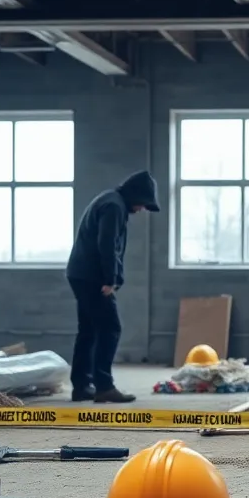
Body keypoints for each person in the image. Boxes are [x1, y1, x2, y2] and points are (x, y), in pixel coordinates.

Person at [65, 170, 160, 403]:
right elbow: (107, 245)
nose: (141, 210)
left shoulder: (109, 200)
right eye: (143, 204)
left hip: (80, 274)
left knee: (88, 331)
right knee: (110, 329)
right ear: (135, 195)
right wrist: (111, 279)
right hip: (94, 277)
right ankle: (104, 386)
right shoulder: (114, 207)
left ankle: (81, 386)